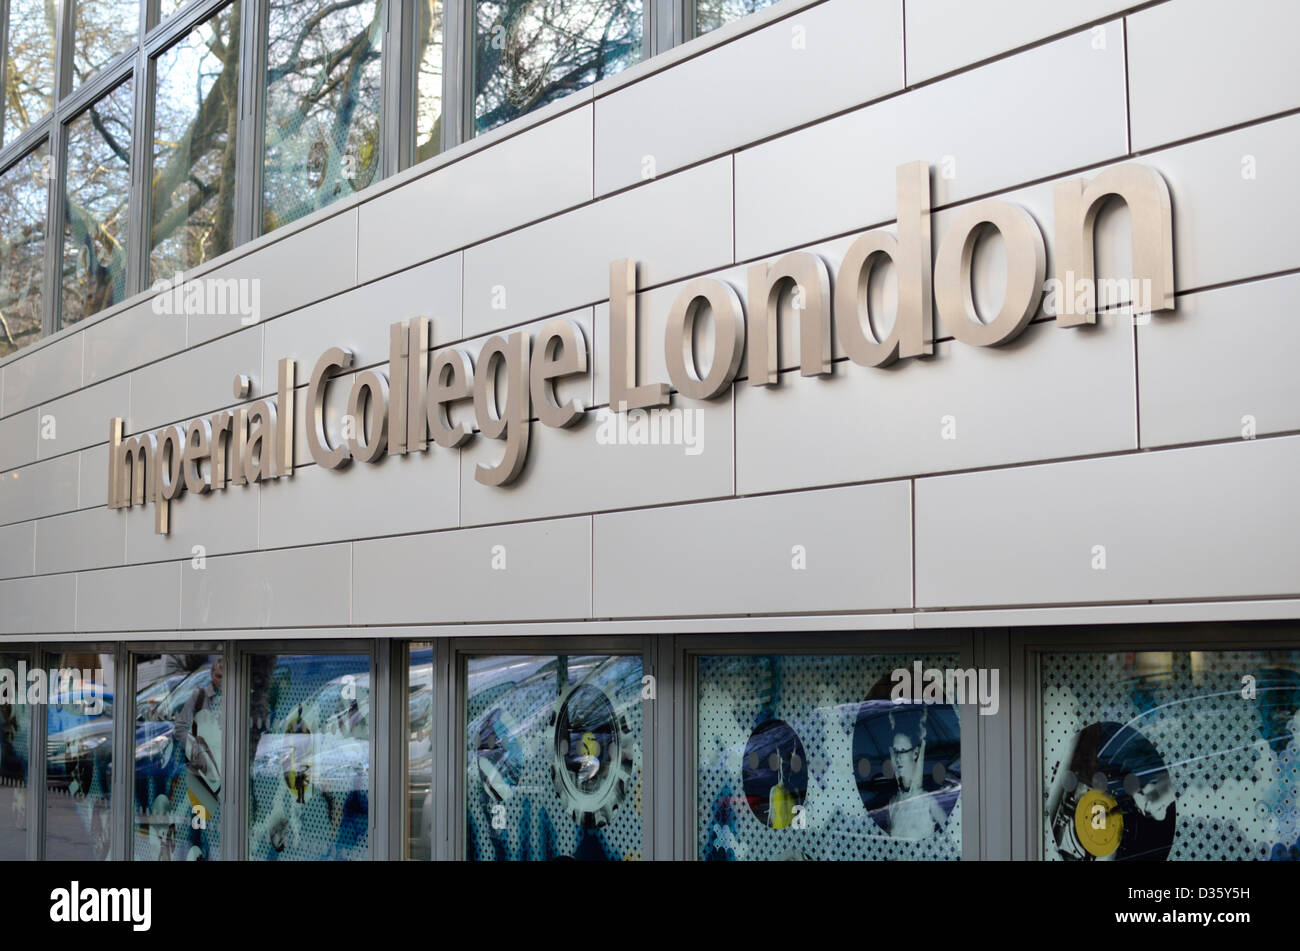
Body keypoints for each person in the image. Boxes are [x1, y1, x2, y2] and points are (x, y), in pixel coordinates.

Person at [886, 707, 947, 839]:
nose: (898, 757)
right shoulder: (893, 804)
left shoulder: (929, 802)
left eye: (903, 750)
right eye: (896, 751)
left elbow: (952, 838)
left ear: (915, 753)